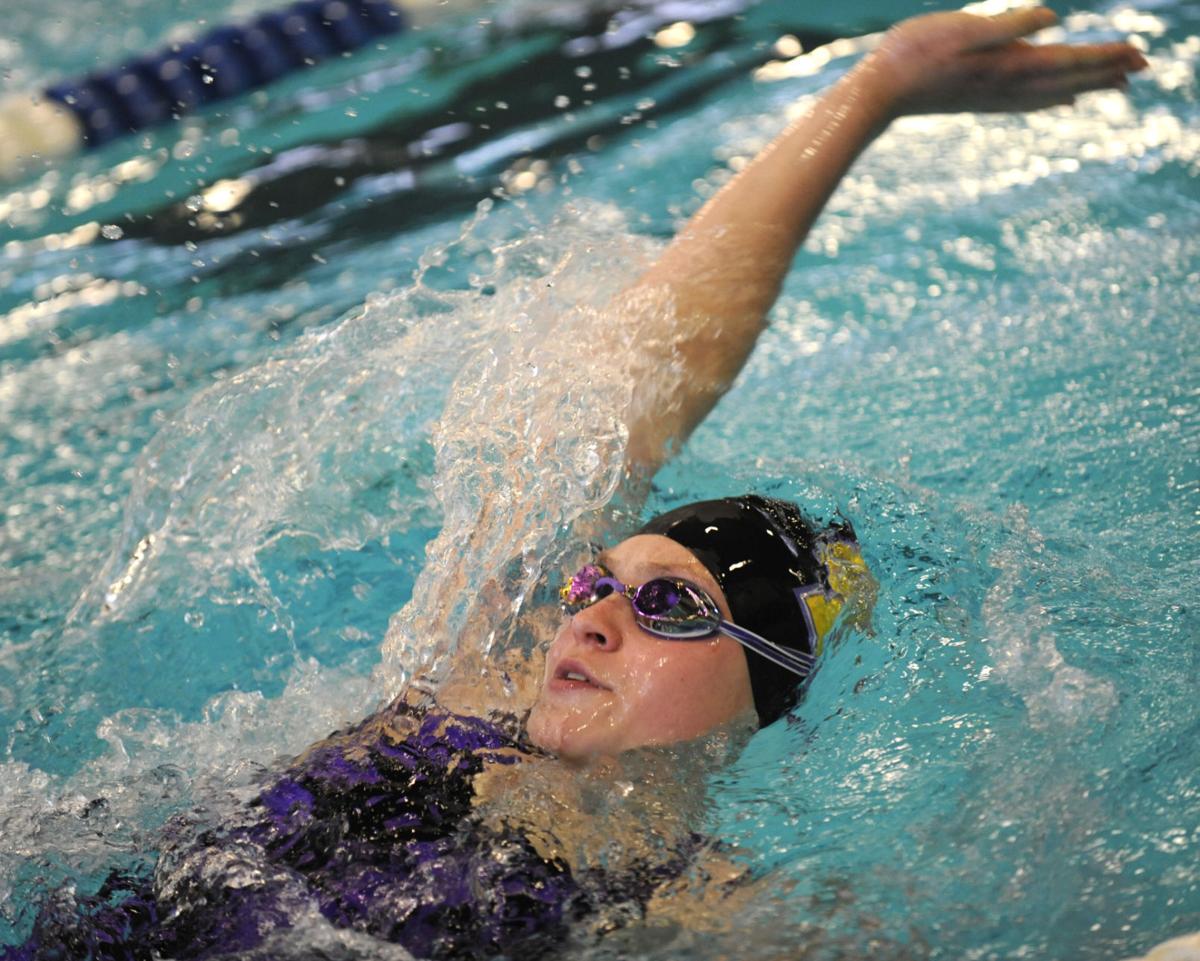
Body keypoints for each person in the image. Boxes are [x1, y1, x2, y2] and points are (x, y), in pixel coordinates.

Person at [5, 8, 1147, 961]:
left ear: (769, 691)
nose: (591, 618)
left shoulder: (704, 913)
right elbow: (640, 376)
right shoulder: (459, 693)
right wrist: (874, 88)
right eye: (603, 584)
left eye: (667, 608)